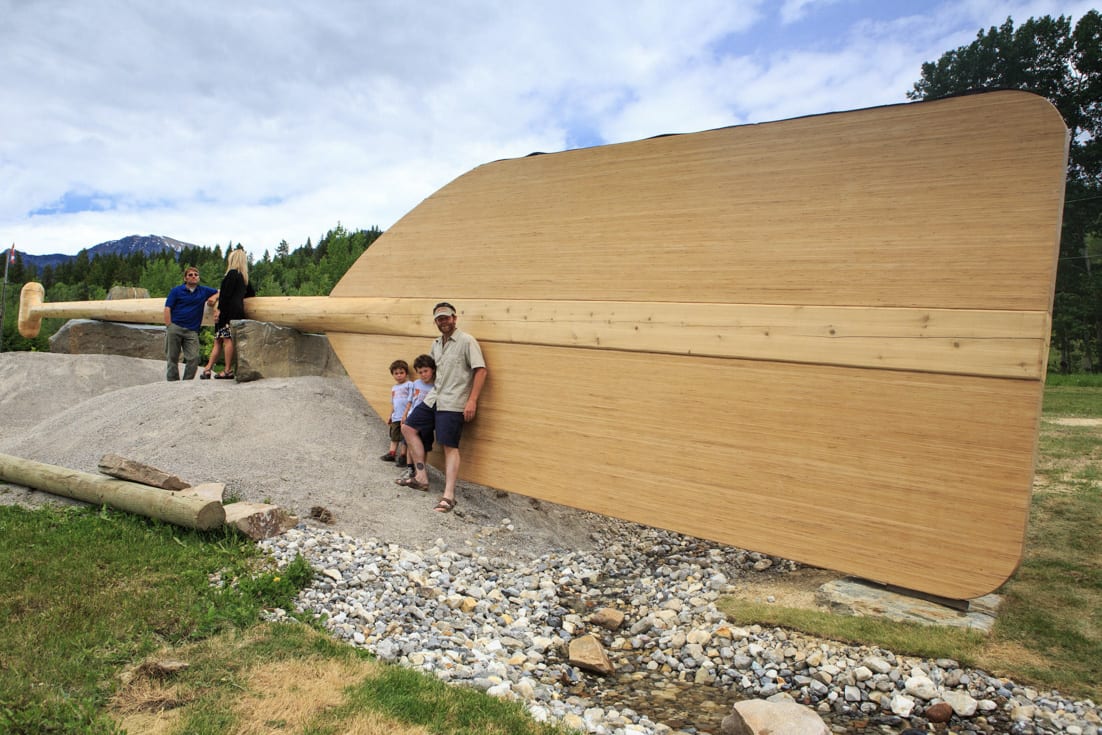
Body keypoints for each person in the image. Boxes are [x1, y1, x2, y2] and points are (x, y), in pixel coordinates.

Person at [398, 302, 487, 513]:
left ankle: (449, 495)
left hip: (454, 401)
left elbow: (481, 370)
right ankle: (420, 477)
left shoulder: (467, 341)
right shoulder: (436, 343)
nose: (443, 321)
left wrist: (472, 400)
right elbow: (433, 372)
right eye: (439, 319)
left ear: (454, 318)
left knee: (449, 446)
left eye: (446, 317)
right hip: (434, 398)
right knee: (408, 427)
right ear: (436, 322)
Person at [201, 248, 252, 380]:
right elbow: (251, 294)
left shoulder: (231, 274)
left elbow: (225, 295)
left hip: (228, 311)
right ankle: (208, 368)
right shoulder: (244, 277)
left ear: (232, 259)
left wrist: (219, 310)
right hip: (237, 310)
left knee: (224, 340)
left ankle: (226, 370)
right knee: (220, 339)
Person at [163, 266, 218, 381]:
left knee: (194, 358)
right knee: (172, 358)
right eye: (190, 275)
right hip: (175, 327)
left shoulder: (203, 291)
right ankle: (172, 383)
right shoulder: (176, 291)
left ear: (198, 278)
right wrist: (169, 326)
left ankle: (187, 382)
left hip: (192, 330)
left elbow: (220, 292)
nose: (193, 276)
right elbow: (168, 308)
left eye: (196, 275)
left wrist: (214, 298)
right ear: (185, 278)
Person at [398, 353, 437, 478]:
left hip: (427, 421)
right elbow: (410, 401)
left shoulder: (436, 386)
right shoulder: (415, 384)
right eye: (420, 372)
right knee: (410, 444)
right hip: (412, 418)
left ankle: (421, 470)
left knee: (424, 446)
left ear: (433, 370)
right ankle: (410, 469)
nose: (423, 374)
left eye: (426, 371)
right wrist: (404, 415)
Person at [382, 359, 414, 462]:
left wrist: (407, 413)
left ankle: (403, 456)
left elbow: (411, 400)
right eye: (396, 373)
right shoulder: (394, 388)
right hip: (396, 417)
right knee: (394, 435)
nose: (399, 375)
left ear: (406, 373)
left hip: (406, 416)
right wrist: (390, 415)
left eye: (401, 373)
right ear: (392, 375)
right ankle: (392, 453)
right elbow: (394, 403)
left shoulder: (410, 384)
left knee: (405, 438)